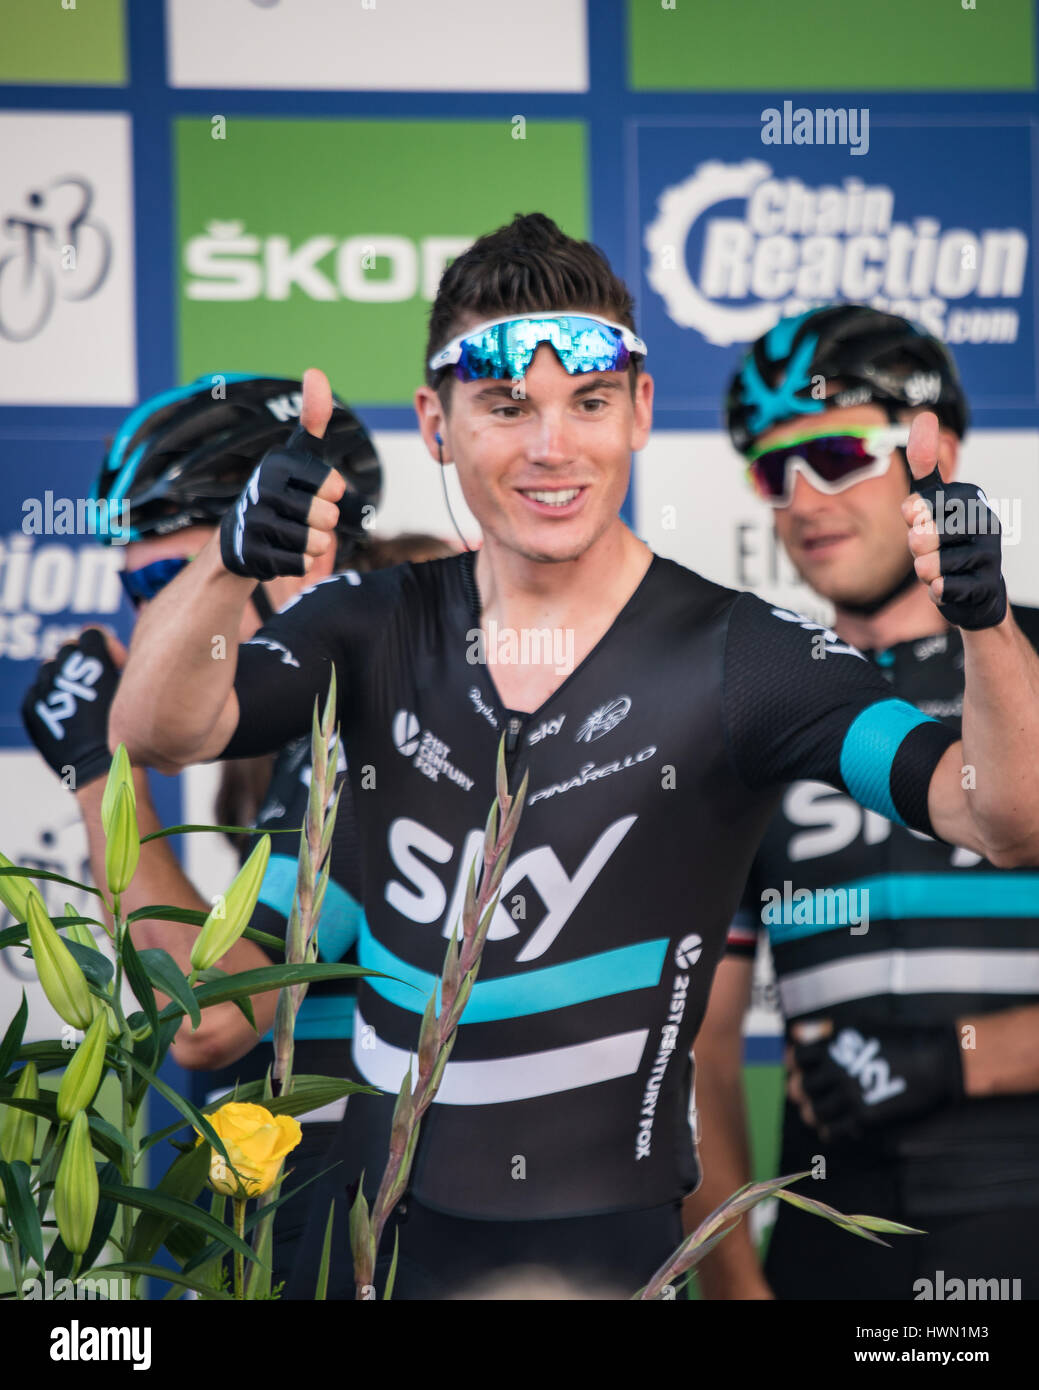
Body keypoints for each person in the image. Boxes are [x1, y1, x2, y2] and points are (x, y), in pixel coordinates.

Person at [108, 214, 1039, 1300]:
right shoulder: (366, 622)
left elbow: (999, 817)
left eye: (587, 403)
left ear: (639, 410)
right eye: (506, 407)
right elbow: (162, 731)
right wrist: (227, 564)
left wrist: (984, 626)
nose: (552, 447)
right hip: (365, 1257)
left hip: (615, 1265)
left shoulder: (750, 657)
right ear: (436, 423)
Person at [684, 305, 1039, 1301]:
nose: (803, 497)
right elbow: (705, 1043)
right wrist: (734, 1282)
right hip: (830, 1230)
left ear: (936, 454)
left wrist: (958, 1058)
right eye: (772, 469)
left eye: (837, 454)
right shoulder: (755, 709)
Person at [20, 373, 383, 1289]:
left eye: (163, 580)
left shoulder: (379, 704)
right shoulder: (298, 716)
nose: (149, 622)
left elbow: (208, 1015)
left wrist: (103, 775)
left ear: (295, 549)